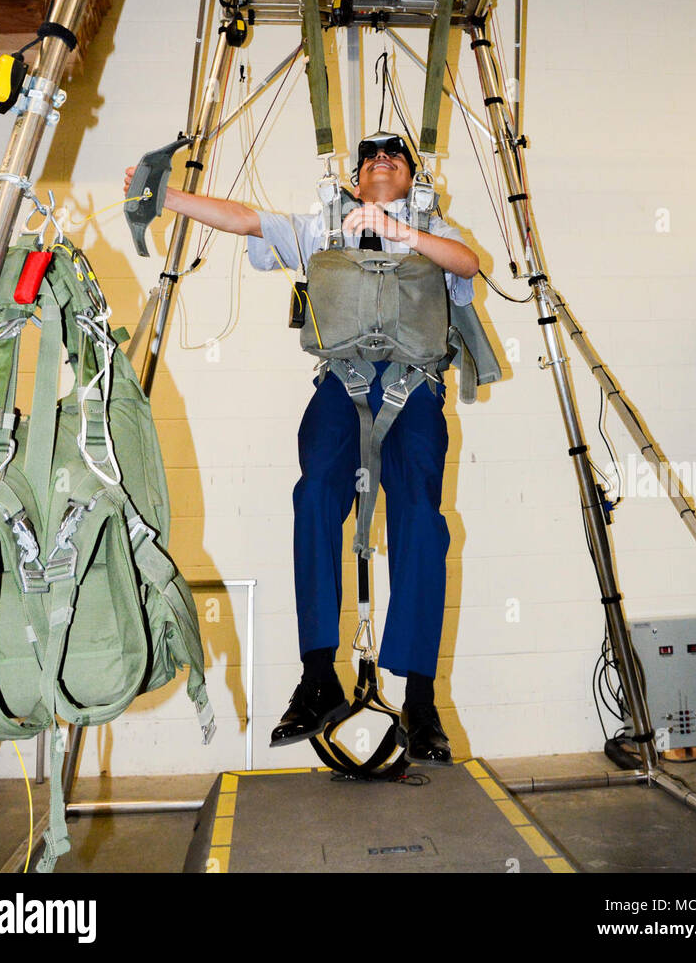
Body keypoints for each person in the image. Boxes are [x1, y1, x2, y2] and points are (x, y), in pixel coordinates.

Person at [123, 132, 479, 764]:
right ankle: (320, 675)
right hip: (340, 387)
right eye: (369, 156)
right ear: (355, 176)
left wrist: (406, 237)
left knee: (423, 520)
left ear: (412, 177)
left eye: (394, 155)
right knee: (314, 497)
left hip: (414, 390)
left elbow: (467, 264)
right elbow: (244, 218)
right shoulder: (324, 227)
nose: (380, 160)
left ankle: (420, 698)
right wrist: (166, 195)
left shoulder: (433, 226)